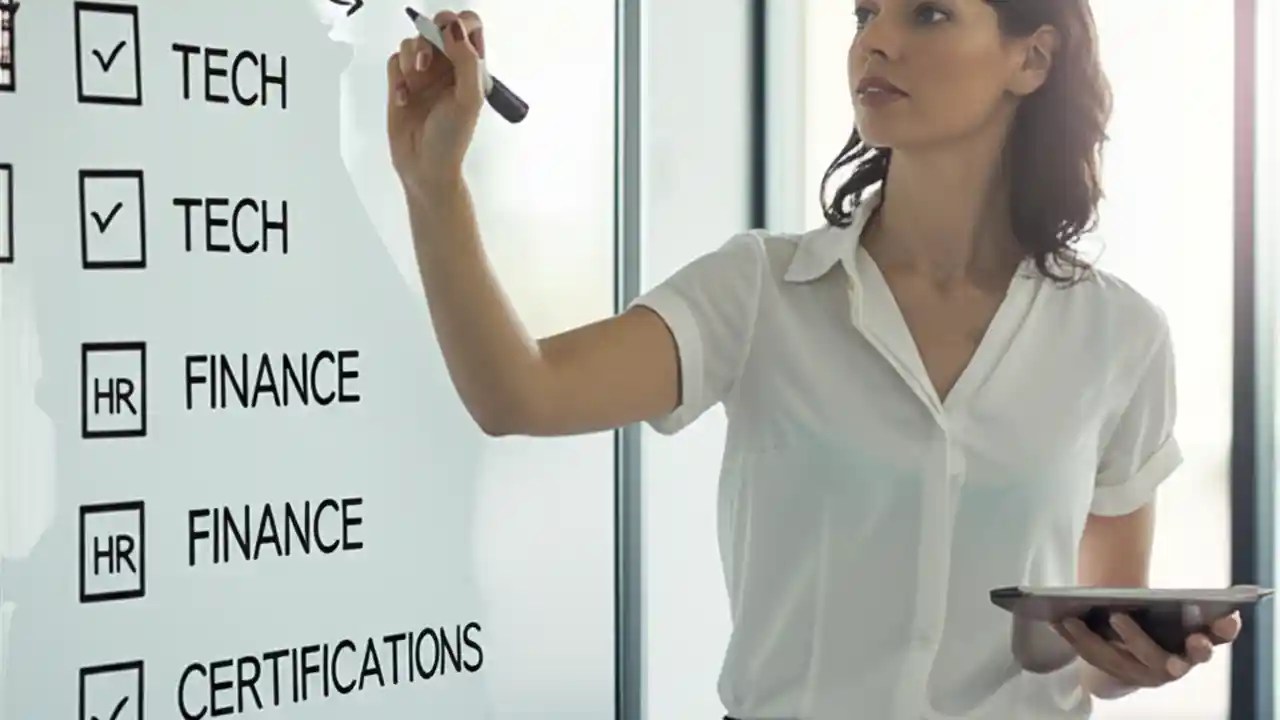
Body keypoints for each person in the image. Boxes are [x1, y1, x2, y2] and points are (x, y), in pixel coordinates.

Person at [384, 1, 1244, 718]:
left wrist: (1135, 661)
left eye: (930, 13)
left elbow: (1096, 648)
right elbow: (518, 392)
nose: (875, 38)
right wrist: (435, 187)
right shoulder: (760, 292)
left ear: (1033, 59)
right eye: (865, 12)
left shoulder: (1121, 338)